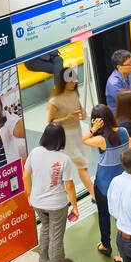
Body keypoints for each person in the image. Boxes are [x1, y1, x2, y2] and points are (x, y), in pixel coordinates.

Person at [24, 123, 81, 262]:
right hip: (56, 205)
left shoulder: (35, 152)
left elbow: (25, 175)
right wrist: (74, 206)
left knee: (45, 229)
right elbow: (69, 185)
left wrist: (29, 195)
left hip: (37, 203)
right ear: (61, 139)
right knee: (56, 236)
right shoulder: (64, 159)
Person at [81, 105, 127, 262]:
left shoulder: (101, 140)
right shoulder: (123, 132)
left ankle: (106, 245)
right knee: (121, 218)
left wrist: (93, 129)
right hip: (122, 183)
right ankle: (123, 252)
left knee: (104, 215)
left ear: (97, 121)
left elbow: (84, 140)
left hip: (103, 185)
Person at [46, 67, 95, 199]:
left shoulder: (74, 94)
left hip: (77, 134)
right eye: (71, 80)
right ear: (64, 82)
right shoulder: (55, 101)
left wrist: (83, 112)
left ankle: (88, 194)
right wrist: (66, 118)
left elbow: (79, 109)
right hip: (66, 138)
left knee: (79, 166)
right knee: (82, 166)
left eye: (75, 80)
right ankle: (94, 195)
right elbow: (50, 122)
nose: (74, 83)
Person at [105, 49, 131, 114]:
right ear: (119, 67)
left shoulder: (130, 74)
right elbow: (126, 102)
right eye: (129, 64)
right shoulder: (113, 84)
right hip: (120, 117)